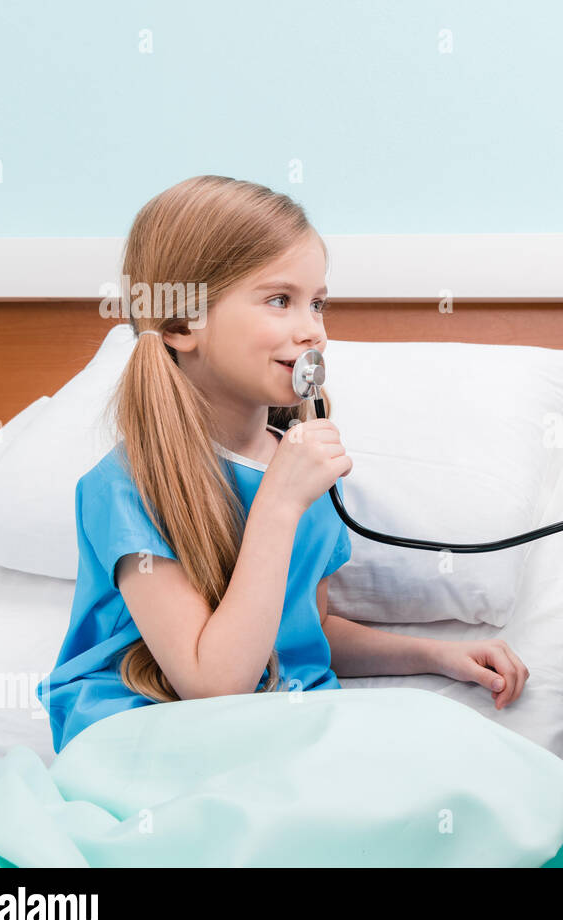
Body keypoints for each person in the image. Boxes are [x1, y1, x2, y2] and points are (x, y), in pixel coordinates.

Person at [39, 176, 528, 754]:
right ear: (178, 325)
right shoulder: (125, 489)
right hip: (153, 732)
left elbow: (302, 631)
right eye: (280, 300)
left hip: (280, 715)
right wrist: (278, 502)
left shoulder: (295, 465)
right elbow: (214, 685)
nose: (312, 329)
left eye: (317, 302)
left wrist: (436, 655)